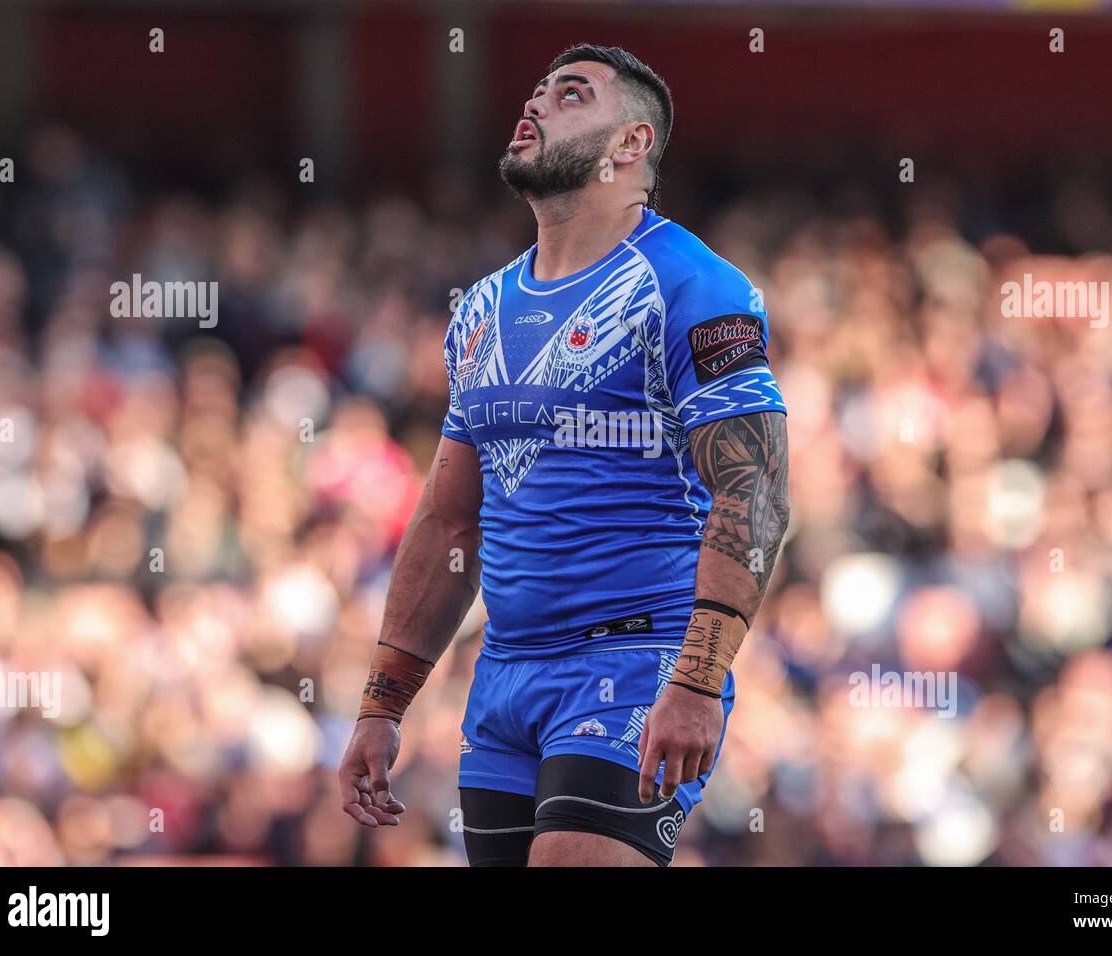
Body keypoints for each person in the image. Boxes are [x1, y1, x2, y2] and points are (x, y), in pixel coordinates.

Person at [338, 44, 790, 867]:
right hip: (506, 677)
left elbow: (754, 494)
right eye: (538, 87)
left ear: (631, 146)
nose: (538, 103)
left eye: (573, 94)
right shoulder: (479, 310)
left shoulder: (694, 285)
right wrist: (382, 705)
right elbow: (449, 520)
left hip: (635, 663)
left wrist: (695, 681)